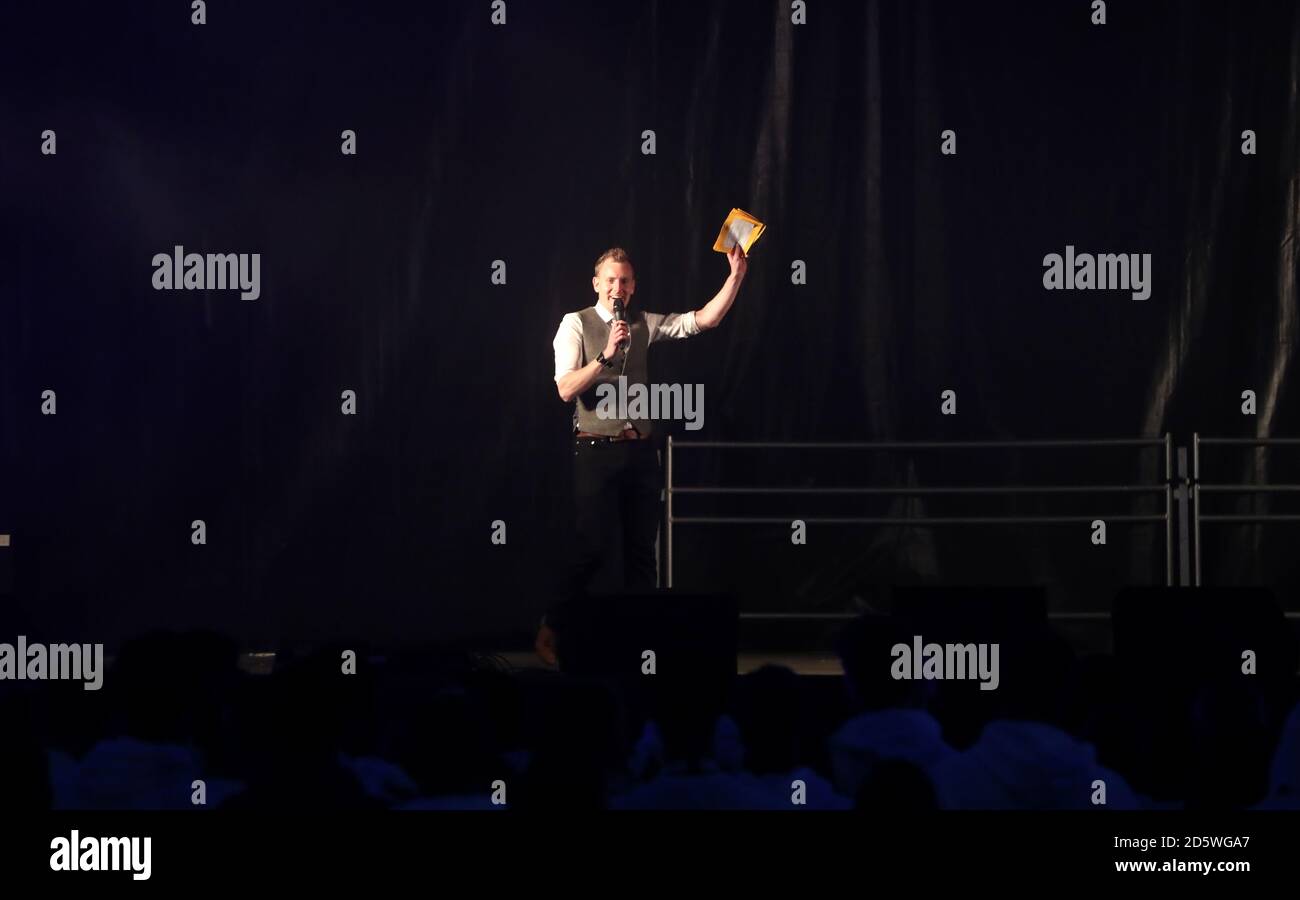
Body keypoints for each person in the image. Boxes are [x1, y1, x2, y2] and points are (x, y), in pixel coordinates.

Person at [551, 244, 747, 599]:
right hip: (595, 451)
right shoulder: (574, 323)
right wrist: (604, 356)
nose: (617, 288)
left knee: (642, 554)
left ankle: (640, 642)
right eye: (610, 280)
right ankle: (556, 627)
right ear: (596, 283)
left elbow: (703, 319)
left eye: (624, 281)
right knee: (592, 550)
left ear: (633, 286)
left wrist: (735, 277)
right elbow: (566, 389)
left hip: (639, 454)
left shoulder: (643, 323)